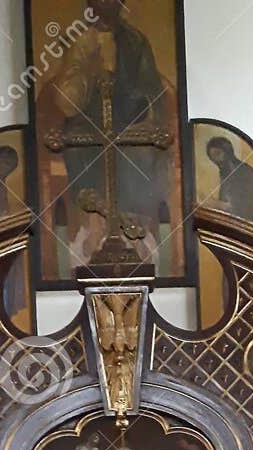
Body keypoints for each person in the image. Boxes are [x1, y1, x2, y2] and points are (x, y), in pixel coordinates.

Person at [46, 0, 171, 267]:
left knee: (139, 154)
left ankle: (136, 234)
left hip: (132, 124)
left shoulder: (136, 41)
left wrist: (146, 115)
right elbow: (68, 100)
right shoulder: (80, 40)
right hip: (86, 124)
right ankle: (92, 233)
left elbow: (152, 88)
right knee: (83, 154)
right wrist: (86, 60)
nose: (107, 5)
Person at [204, 135, 253, 225]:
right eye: (212, 157)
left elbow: (250, 207)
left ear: (228, 151)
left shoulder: (247, 173)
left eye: (217, 154)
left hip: (252, 228)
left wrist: (221, 205)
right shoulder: (226, 175)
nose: (216, 160)